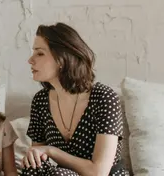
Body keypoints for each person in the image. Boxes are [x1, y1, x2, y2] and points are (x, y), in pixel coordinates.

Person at [22, 23, 128, 176]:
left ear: (61, 59)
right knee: (32, 167)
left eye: (39, 53)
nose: (30, 60)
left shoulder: (104, 98)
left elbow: (99, 172)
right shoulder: (40, 102)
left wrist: (52, 151)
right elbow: (38, 159)